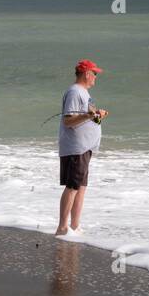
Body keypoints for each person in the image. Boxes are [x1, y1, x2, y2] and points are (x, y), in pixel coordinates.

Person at [56, 59, 108, 236]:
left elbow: (88, 118)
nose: (95, 78)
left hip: (86, 148)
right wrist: (88, 115)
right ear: (86, 74)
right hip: (75, 148)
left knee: (81, 187)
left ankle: (75, 226)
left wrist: (98, 116)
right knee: (72, 187)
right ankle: (62, 227)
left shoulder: (84, 93)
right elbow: (68, 120)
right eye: (94, 74)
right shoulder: (74, 92)